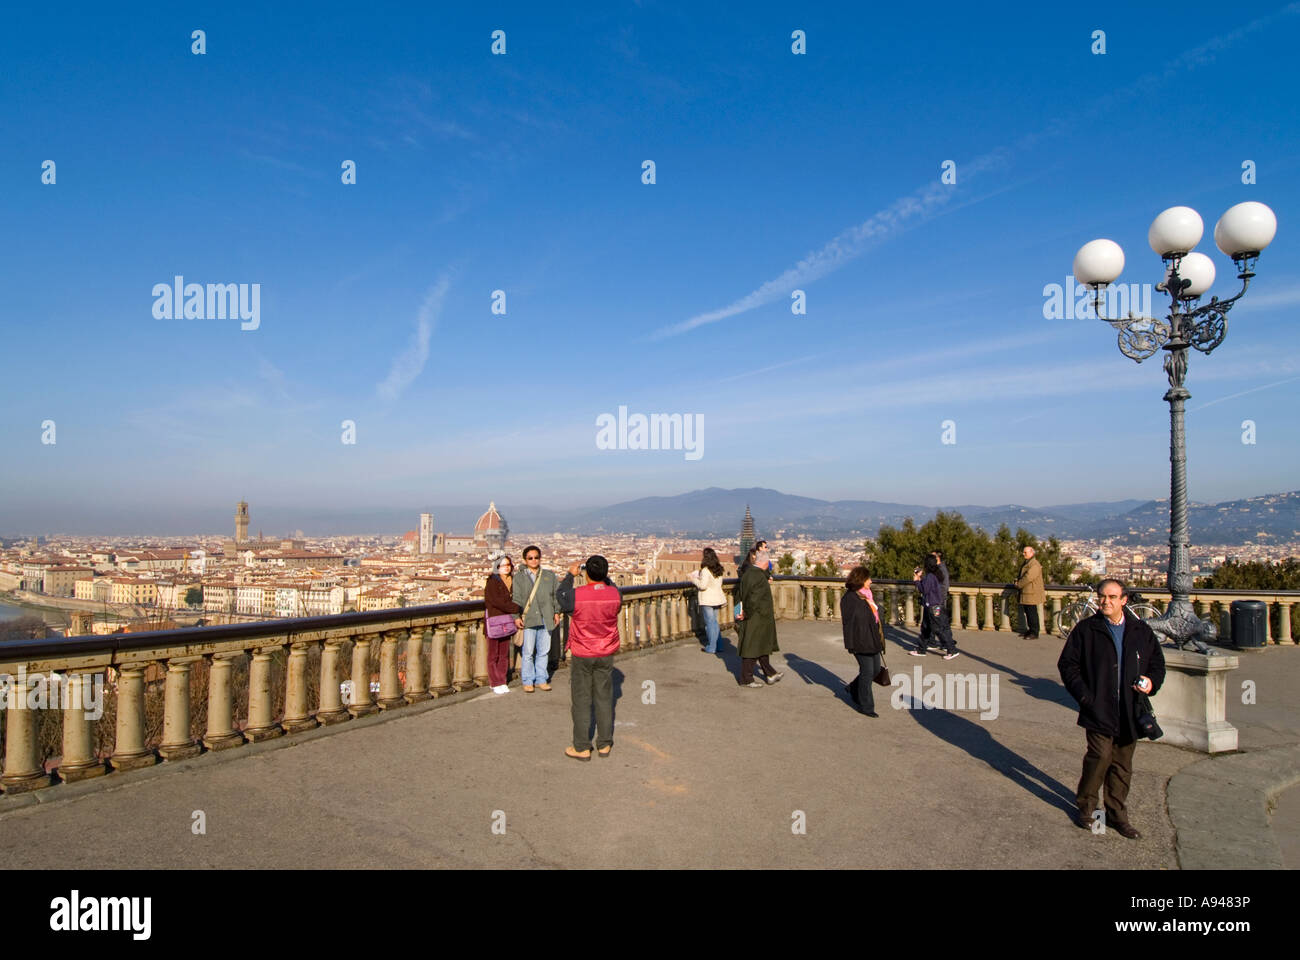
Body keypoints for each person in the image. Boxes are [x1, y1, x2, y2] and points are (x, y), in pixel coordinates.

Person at [1057, 578, 1165, 838]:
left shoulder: (1141, 631)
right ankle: (1086, 808)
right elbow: (1068, 665)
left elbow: (1157, 665)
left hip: (1130, 709)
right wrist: (1085, 697)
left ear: (1124, 600)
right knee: (1100, 758)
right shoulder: (1087, 630)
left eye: (1112, 597)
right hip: (1098, 708)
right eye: (1102, 596)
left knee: (1122, 764)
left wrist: (1151, 682)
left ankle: (1117, 815)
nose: (1106, 601)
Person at [557, 555, 622, 761]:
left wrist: (569, 575)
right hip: (605, 651)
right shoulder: (615, 595)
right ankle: (604, 744)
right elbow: (613, 594)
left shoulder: (577, 595)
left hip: (583, 651)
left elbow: (561, 596)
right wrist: (604, 579)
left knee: (582, 699)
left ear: (586, 574)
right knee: (604, 698)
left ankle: (582, 746)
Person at [511, 545, 562, 692]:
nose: (534, 560)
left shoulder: (549, 576)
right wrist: (516, 617)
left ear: (540, 558)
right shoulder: (520, 577)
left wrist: (556, 612)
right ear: (525, 560)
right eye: (530, 558)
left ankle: (541, 679)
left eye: (536, 557)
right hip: (528, 619)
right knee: (527, 652)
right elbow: (517, 599)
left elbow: (555, 596)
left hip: (546, 617)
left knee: (543, 651)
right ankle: (528, 680)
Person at [840, 565, 884, 717]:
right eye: (868, 579)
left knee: (876, 670)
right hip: (860, 640)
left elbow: (873, 617)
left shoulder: (867, 595)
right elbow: (849, 623)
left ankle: (853, 687)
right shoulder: (850, 598)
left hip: (872, 638)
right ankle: (866, 706)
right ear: (861, 580)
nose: (871, 581)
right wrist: (852, 644)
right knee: (867, 672)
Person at [735, 546, 782, 687]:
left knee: (759, 646)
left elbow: (742, 595)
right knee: (752, 648)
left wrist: (741, 612)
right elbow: (754, 599)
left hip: (754, 616)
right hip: (757, 617)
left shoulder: (748, 574)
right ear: (765, 562)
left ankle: (770, 674)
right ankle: (746, 679)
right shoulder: (759, 577)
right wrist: (747, 614)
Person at [483, 553, 522, 694]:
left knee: (504, 653)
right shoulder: (492, 582)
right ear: (496, 567)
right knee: (493, 654)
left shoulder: (513, 580)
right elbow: (496, 602)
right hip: (495, 621)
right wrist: (516, 608)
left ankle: (502, 680)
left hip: (506, 621)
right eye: (503, 565)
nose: (507, 568)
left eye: (508, 565)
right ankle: (495, 681)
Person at [913, 554, 957, 659]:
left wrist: (916, 581)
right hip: (935, 605)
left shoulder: (930, 577)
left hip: (933, 606)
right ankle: (921, 649)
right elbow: (928, 586)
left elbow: (924, 590)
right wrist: (920, 578)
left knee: (938, 628)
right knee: (926, 628)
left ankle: (951, 649)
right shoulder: (935, 575)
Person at [688, 547, 726, 654]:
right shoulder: (719, 569)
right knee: (714, 622)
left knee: (710, 623)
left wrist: (693, 579)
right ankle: (719, 645)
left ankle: (711, 647)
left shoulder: (705, 570)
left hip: (708, 600)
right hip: (717, 599)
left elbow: (703, 586)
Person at [1015, 545, 1045, 639]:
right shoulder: (1029, 563)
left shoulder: (1034, 564)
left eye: (1025, 552)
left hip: (1031, 592)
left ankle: (1034, 632)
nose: (1023, 554)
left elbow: (1028, 577)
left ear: (1032, 553)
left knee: (1032, 613)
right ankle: (1031, 630)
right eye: (1023, 552)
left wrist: (1018, 584)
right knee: (1028, 612)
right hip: (1028, 592)